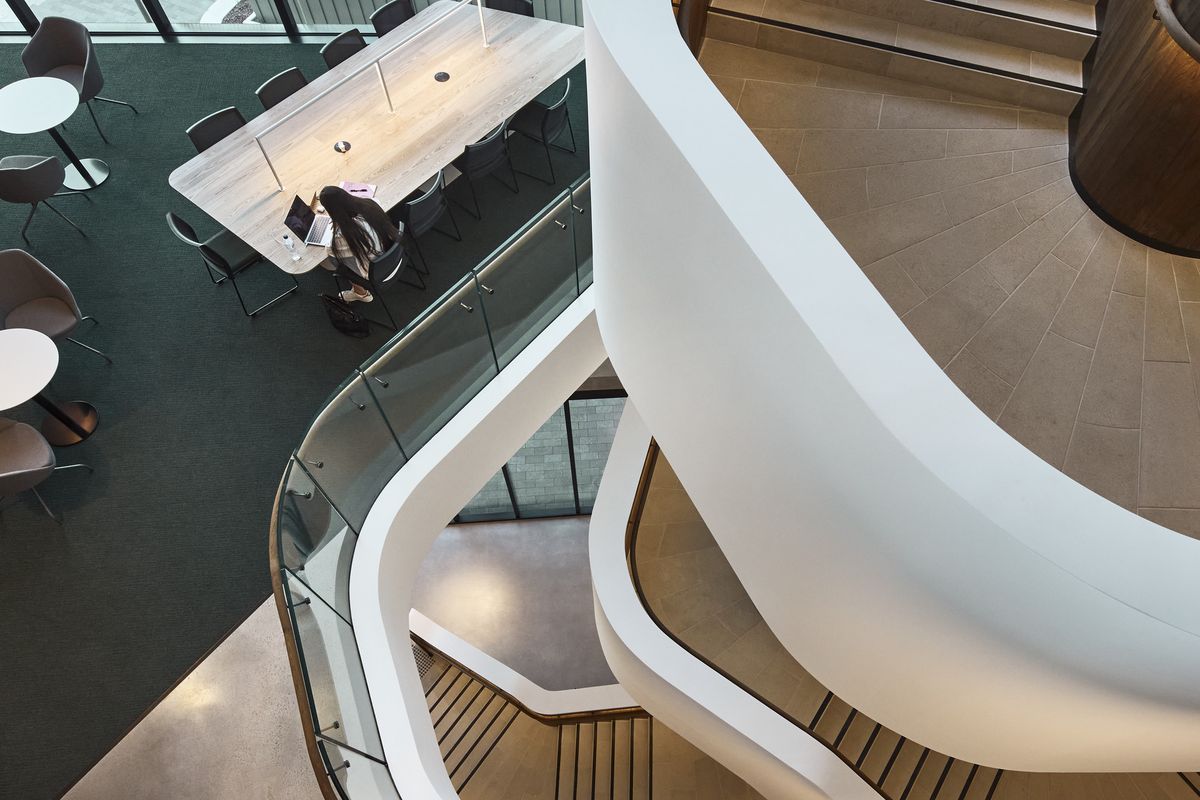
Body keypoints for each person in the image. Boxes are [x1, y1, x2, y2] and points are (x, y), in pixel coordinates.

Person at [318, 185, 402, 303]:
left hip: (379, 274)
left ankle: (360, 293)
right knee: (349, 252)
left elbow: (330, 251)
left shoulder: (344, 234)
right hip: (396, 256)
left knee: (333, 260)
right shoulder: (369, 204)